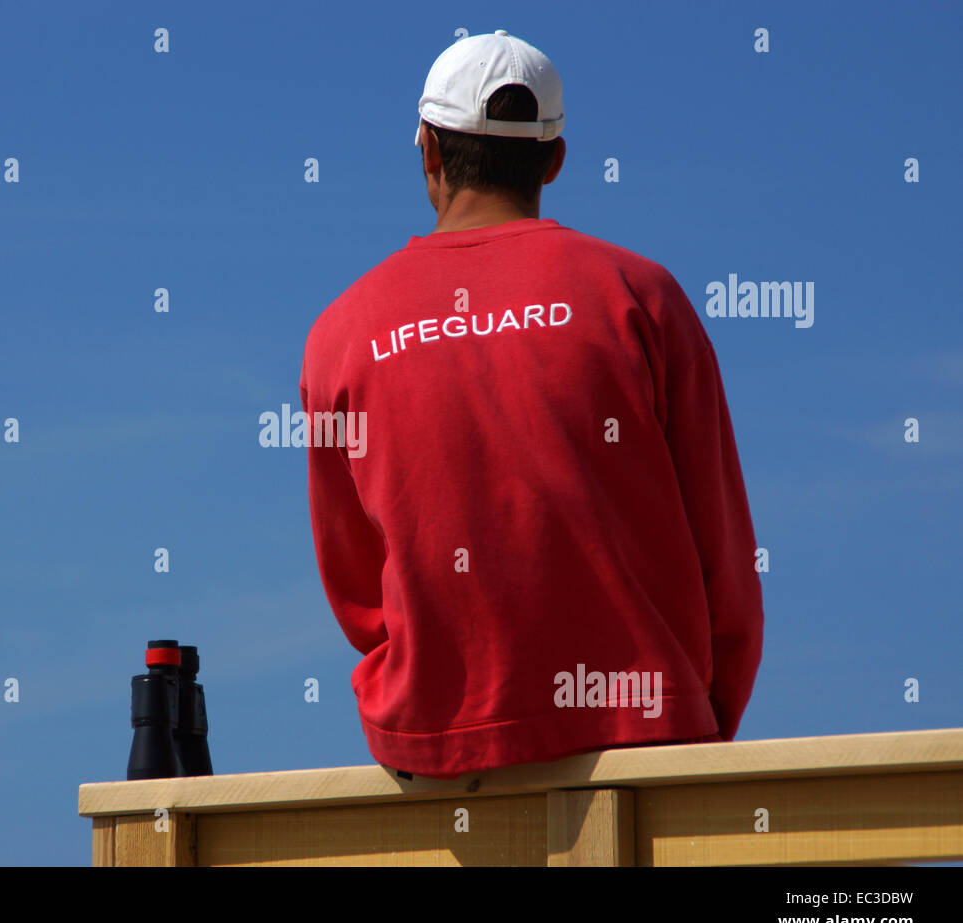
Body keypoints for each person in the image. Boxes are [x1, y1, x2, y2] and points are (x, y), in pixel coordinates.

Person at [298, 30, 764, 780]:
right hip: (644, 743)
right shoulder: (641, 298)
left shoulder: (339, 335)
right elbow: (726, 564)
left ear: (428, 152)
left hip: (438, 752)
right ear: (554, 159)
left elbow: (355, 588)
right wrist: (694, 732)